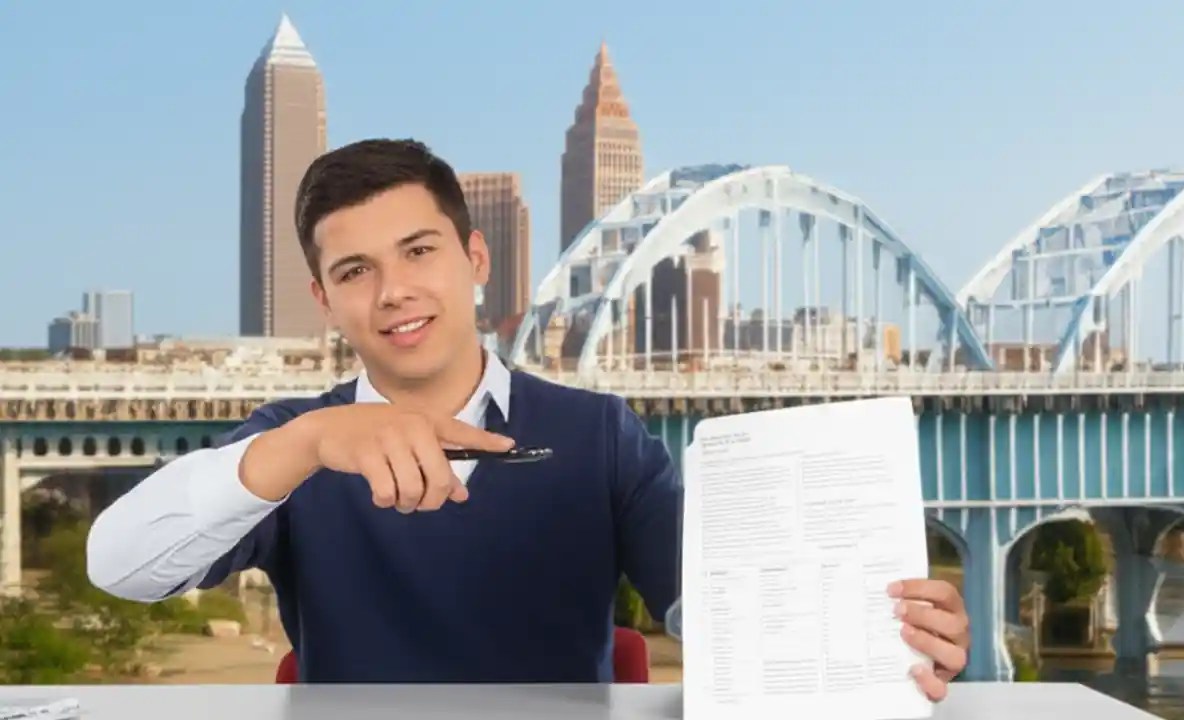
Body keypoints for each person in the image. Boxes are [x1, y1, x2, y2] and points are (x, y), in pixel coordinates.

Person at [85, 139, 971, 695]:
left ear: (475, 259)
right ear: (324, 299)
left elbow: (718, 607)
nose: (394, 291)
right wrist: (310, 443)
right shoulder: (291, 440)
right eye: (355, 271)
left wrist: (884, 638)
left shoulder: (600, 434)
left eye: (419, 251)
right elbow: (120, 567)